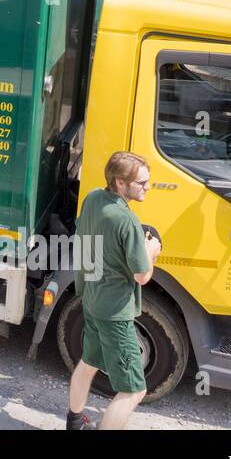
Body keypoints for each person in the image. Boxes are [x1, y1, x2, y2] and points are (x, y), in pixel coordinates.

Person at [66, 151, 160, 430]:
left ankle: (74, 423)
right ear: (120, 182)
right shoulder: (126, 220)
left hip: (92, 299)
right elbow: (142, 276)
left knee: (89, 362)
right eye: (142, 183)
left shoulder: (94, 197)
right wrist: (150, 250)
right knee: (134, 390)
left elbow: (84, 242)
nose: (147, 187)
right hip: (115, 314)